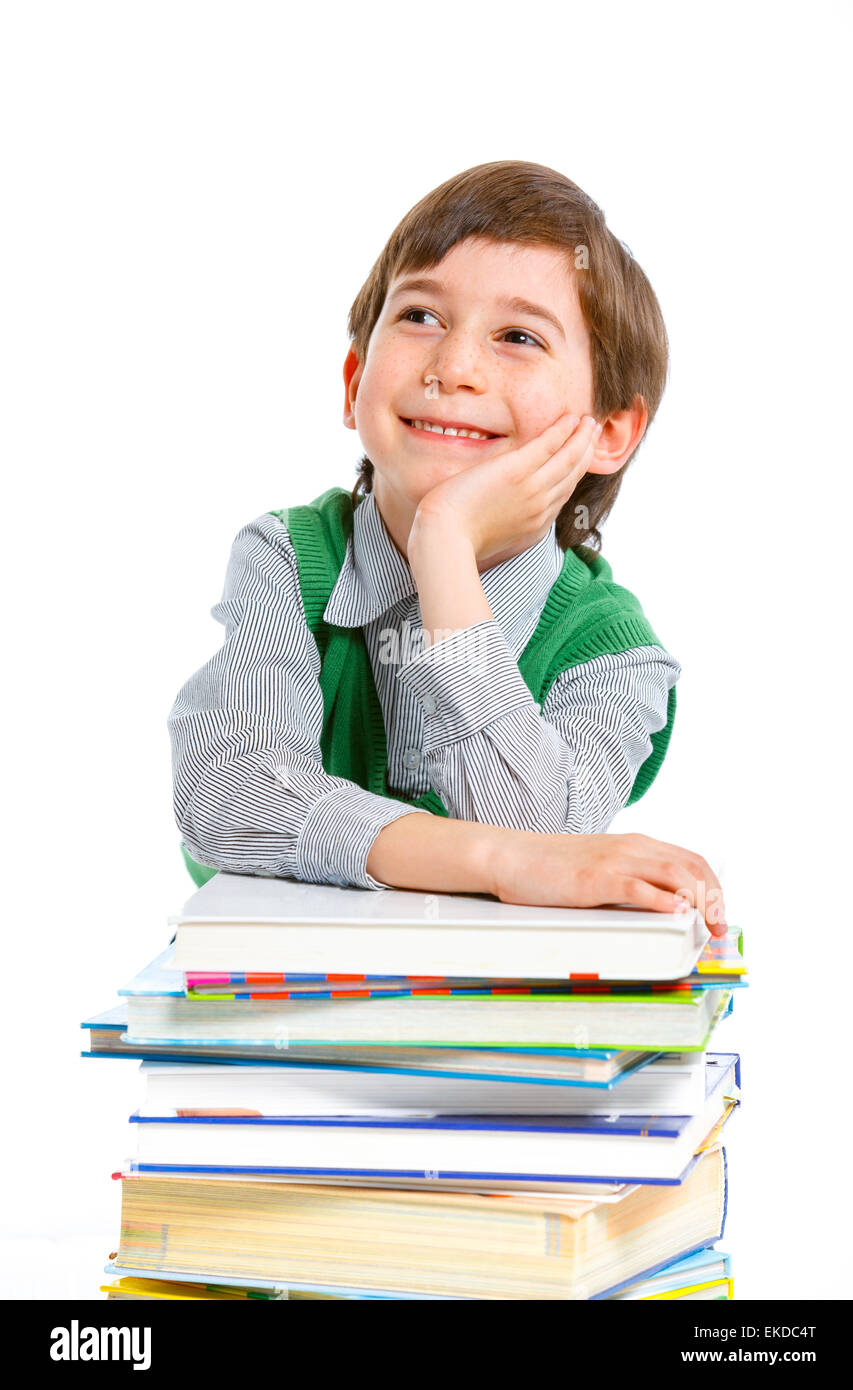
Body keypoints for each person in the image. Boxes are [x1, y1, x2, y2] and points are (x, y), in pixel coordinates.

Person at [169, 160, 725, 933]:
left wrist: (446, 554)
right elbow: (228, 794)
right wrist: (494, 861)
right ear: (353, 379)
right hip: (289, 1029)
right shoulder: (288, 561)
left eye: (519, 336)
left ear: (608, 432)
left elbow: (544, 837)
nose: (454, 368)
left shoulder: (614, 654)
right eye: (422, 317)